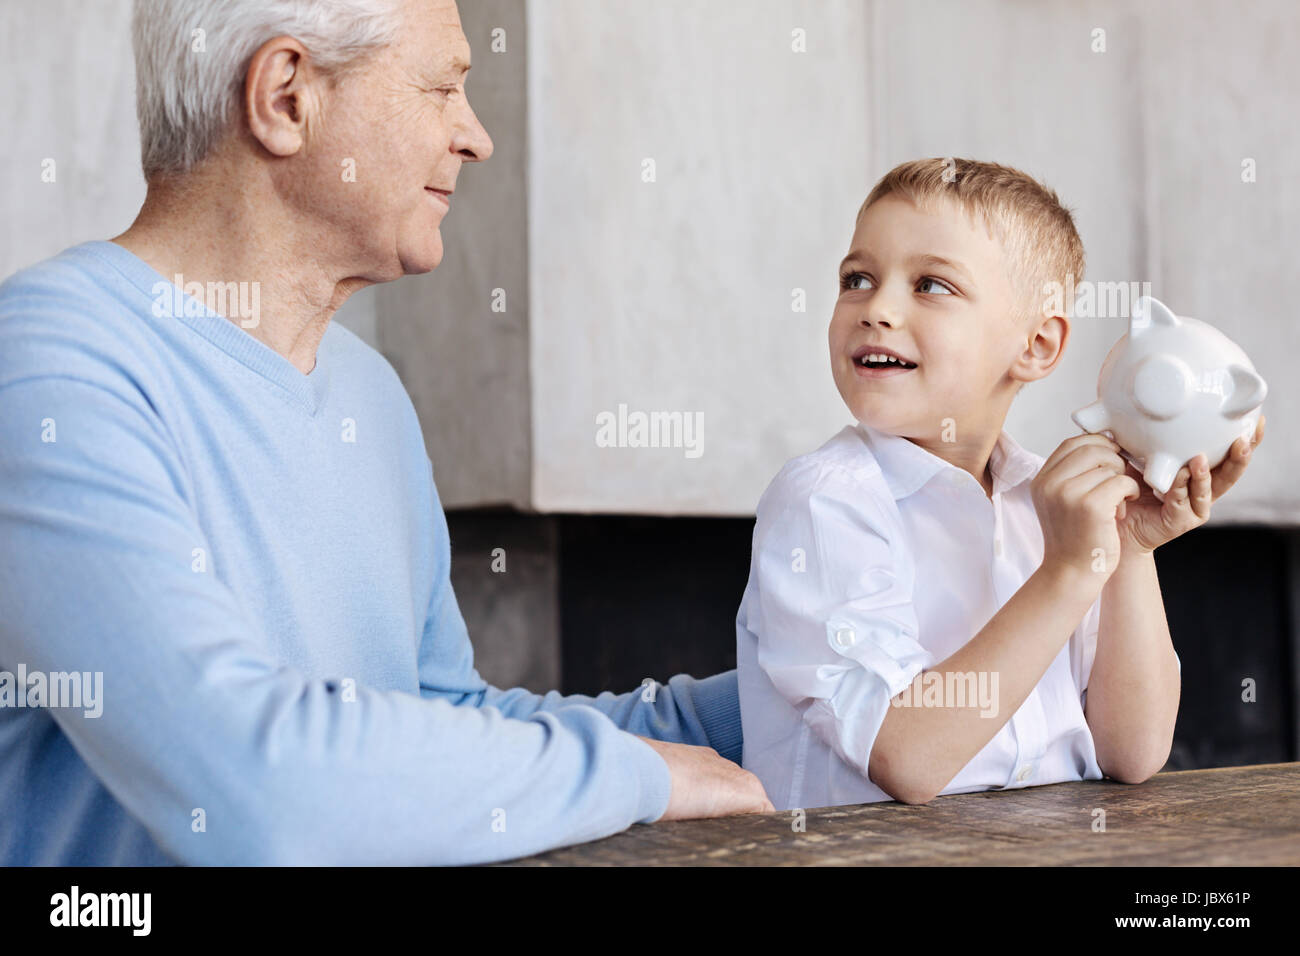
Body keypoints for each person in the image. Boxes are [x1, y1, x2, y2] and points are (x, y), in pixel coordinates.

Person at [0, 0, 771, 866]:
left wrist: (785, 711)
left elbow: (446, 728)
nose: (476, 137)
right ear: (288, 97)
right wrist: (641, 777)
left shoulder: (369, 394)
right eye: (443, 86)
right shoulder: (45, 365)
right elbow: (256, 785)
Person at [736, 157, 1264, 810]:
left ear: (1036, 346)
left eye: (930, 284)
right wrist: (1067, 573)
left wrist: (1127, 549)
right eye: (858, 278)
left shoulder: (1054, 502)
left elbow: (1133, 752)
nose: (877, 308)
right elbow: (907, 759)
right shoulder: (824, 502)